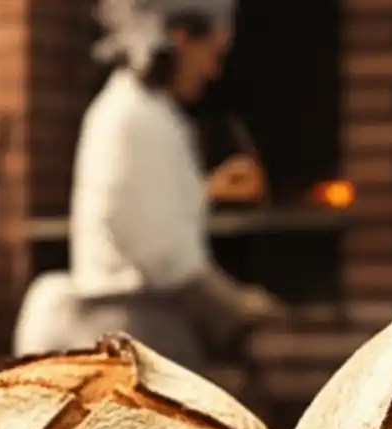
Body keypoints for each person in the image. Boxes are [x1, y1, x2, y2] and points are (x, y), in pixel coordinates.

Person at [14, 0, 282, 371]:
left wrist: (205, 191)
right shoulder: (134, 118)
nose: (213, 70)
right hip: (129, 328)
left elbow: (147, 205)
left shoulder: (151, 114)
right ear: (180, 39)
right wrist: (237, 304)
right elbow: (164, 256)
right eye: (213, 53)